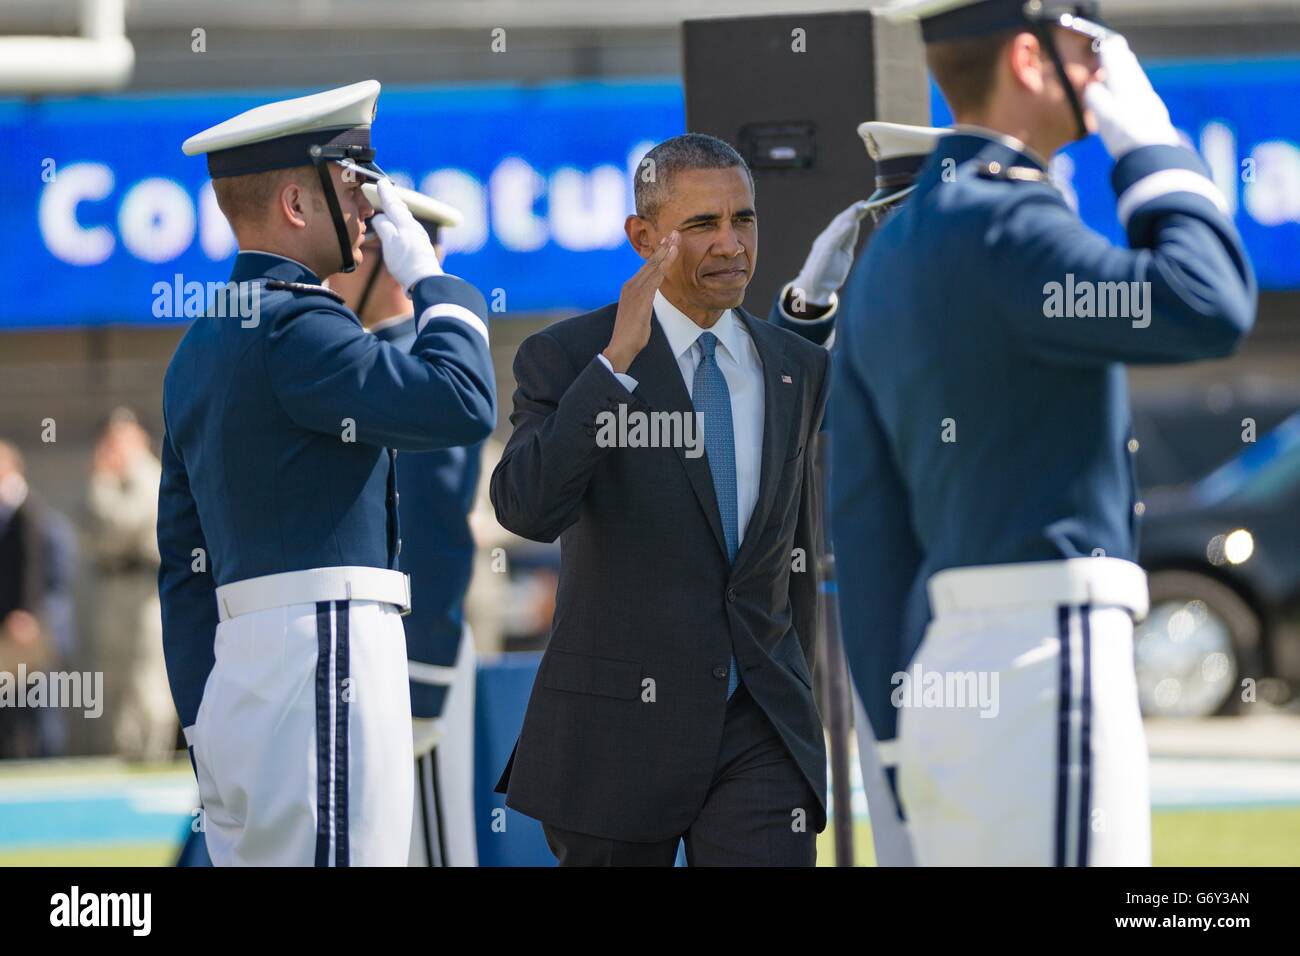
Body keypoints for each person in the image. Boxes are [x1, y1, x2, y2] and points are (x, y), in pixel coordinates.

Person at [832, 0, 1256, 866]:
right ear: (1030, 60)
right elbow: (1207, 302)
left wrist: (892, 727)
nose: (1103, 68)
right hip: (1042, 658)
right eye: (1086, 45)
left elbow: (866, 519)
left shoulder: (900, 245)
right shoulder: (1005, 224)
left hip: (948, 668)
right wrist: (1153, 147)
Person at [159, 80, 496, 866]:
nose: (370, 215)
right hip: (327, 651)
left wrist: (204, 714)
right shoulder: (298, 324)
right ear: (295, 203)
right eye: (352, 188)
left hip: (249, 670)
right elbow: (463, 399)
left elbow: (182, 563)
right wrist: (436, 286)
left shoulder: (202, 343)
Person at [492, 133, 830, 866]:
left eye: (743, 219)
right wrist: (613, 368)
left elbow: (792, 558)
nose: (732, 243)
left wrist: (807, 706)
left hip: (761, 730)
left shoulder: (796, 366)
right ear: (644, 238)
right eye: (702, 224)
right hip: (617, 733)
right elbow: (525, 507)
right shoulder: (568, 358)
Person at [771, 122, 946, 868]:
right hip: (891, 644)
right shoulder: (879, 347)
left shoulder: (991, 329)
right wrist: (809, 308)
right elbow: (788, 409)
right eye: (886, 228)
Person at [329, 182, 481, 867]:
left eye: (356, 247)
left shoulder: (416, 371)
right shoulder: (383, 363)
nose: (335, 265)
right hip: (378, 652)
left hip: (415, 651)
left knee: (432, 849)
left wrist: (423, 677)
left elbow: (436, 525)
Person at [85, 408, 175, 761]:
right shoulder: (112, 480)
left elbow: (123, 526)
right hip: (112, 586)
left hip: (144, 588)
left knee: (147, 678)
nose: (115, 446)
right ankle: (124, 754)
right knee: (115, 678)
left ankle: (153, 754)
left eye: (123, 436)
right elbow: (88, 536)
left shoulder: (147, 474)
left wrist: (102, 482)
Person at [0, 440, 77, 759]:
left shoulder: (35, 517)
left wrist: (28, 614)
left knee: (39, 705)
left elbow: (46, 576)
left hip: (34, 630)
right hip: (12, 629)